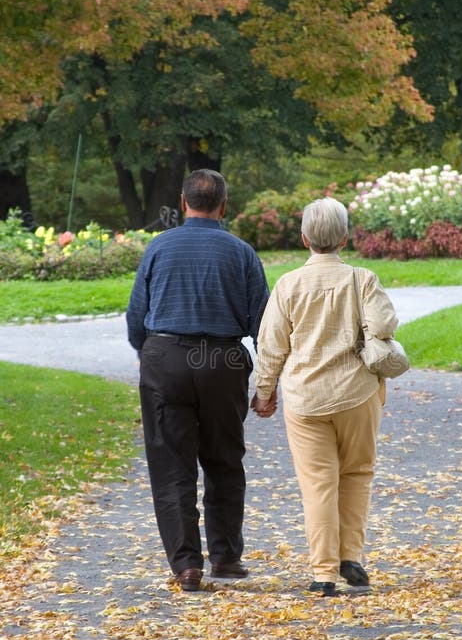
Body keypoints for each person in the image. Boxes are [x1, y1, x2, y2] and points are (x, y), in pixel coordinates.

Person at [126, 169, 272, 592]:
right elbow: (262, 323)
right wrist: (268, 380)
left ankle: (186, 564)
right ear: (224, 206)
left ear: (184, 201)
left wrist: (150, 356)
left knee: (171, 464)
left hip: (165, 356)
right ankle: (226, 558)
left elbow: (137, 317)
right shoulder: (242, 253)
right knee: (225, 460)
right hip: (223, 359)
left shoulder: (158, 248)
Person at [251, 197, 398, 597]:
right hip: (357, 394)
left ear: (304, 239)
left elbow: (272, 346)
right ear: (345, 238)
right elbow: (384, 324)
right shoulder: (363, 279)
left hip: (305, 400)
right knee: (357, 474)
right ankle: (351, 556)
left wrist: (264, 392)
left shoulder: (288, 285)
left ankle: (323, 572)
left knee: (318, 484)